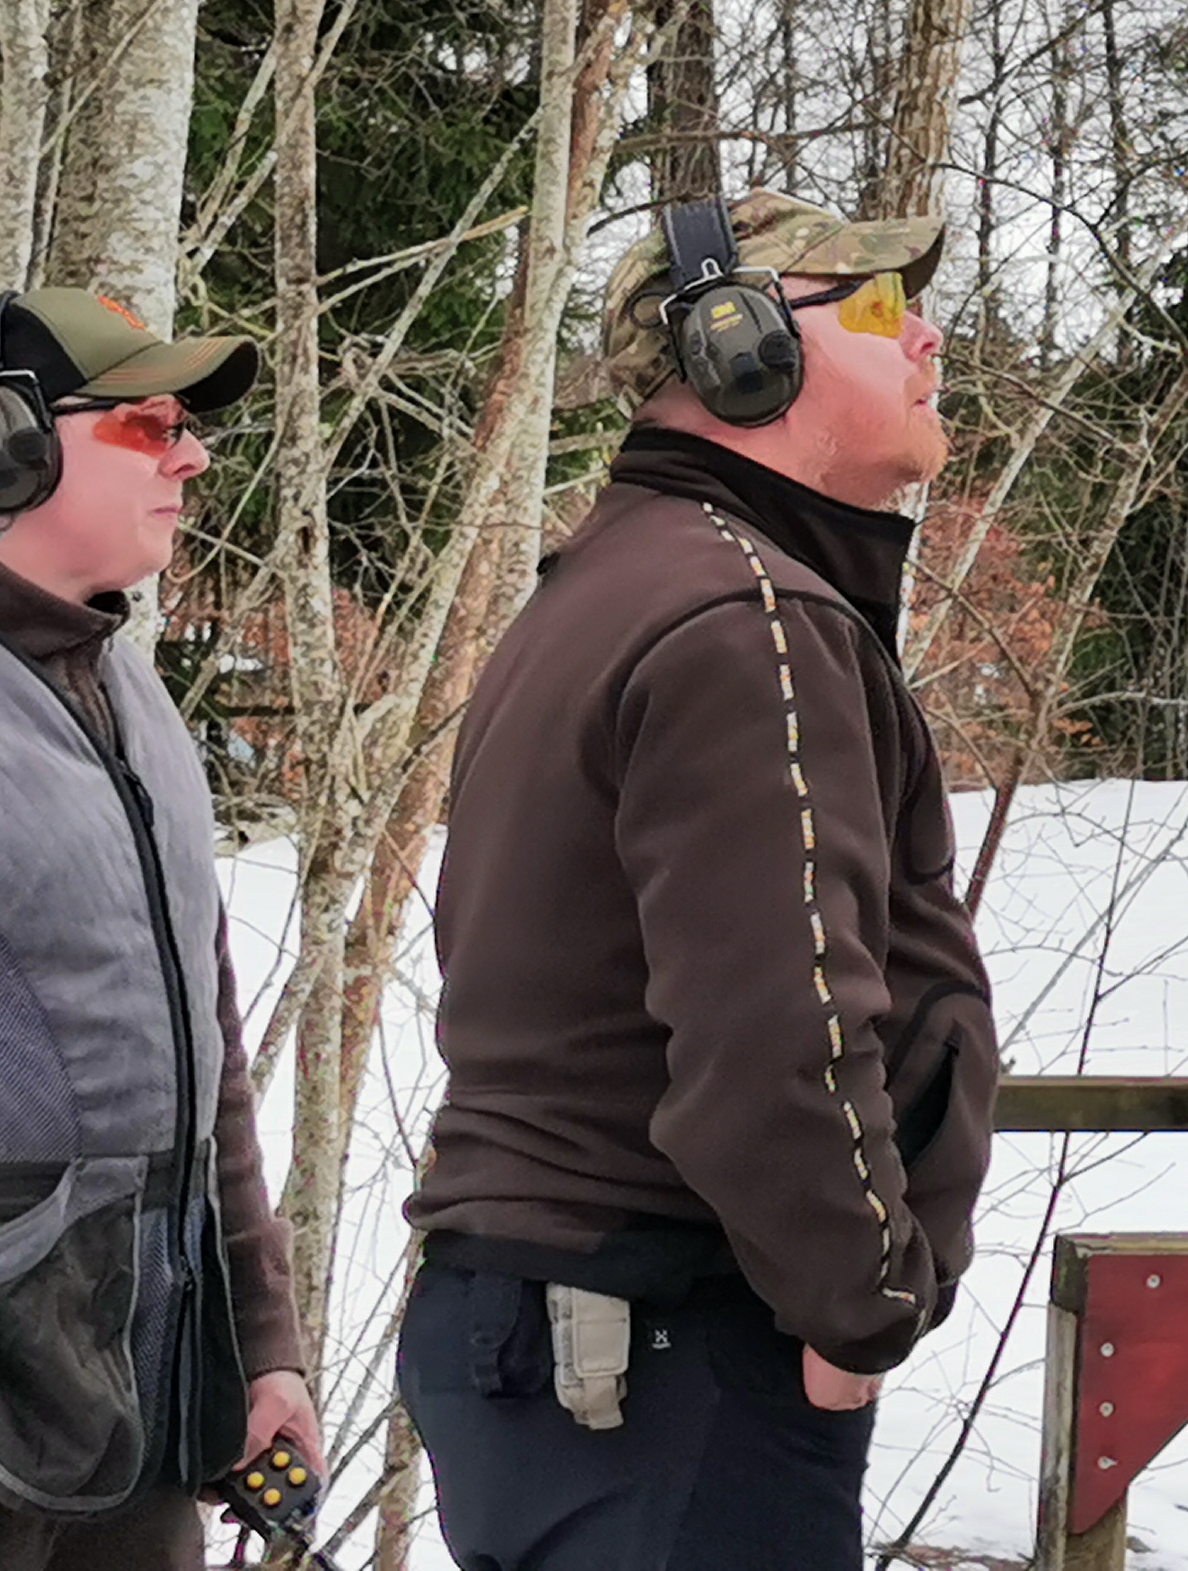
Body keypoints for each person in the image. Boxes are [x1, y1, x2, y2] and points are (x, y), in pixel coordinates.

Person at [400, 191, 999, 1571]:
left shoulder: (621, 581)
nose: (924, 339)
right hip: (661, 1352)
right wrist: (861, 1313)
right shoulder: (750, 621)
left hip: (568, 1339)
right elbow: (774, 1035)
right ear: (739, 349)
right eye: (870, 307)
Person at [0, 287, 318, 1570]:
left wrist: (258, 1350)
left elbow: (202, 1070)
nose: (194, 454)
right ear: (1, 442)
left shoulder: (130, 699)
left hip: (141, 1452)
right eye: (150, 423)